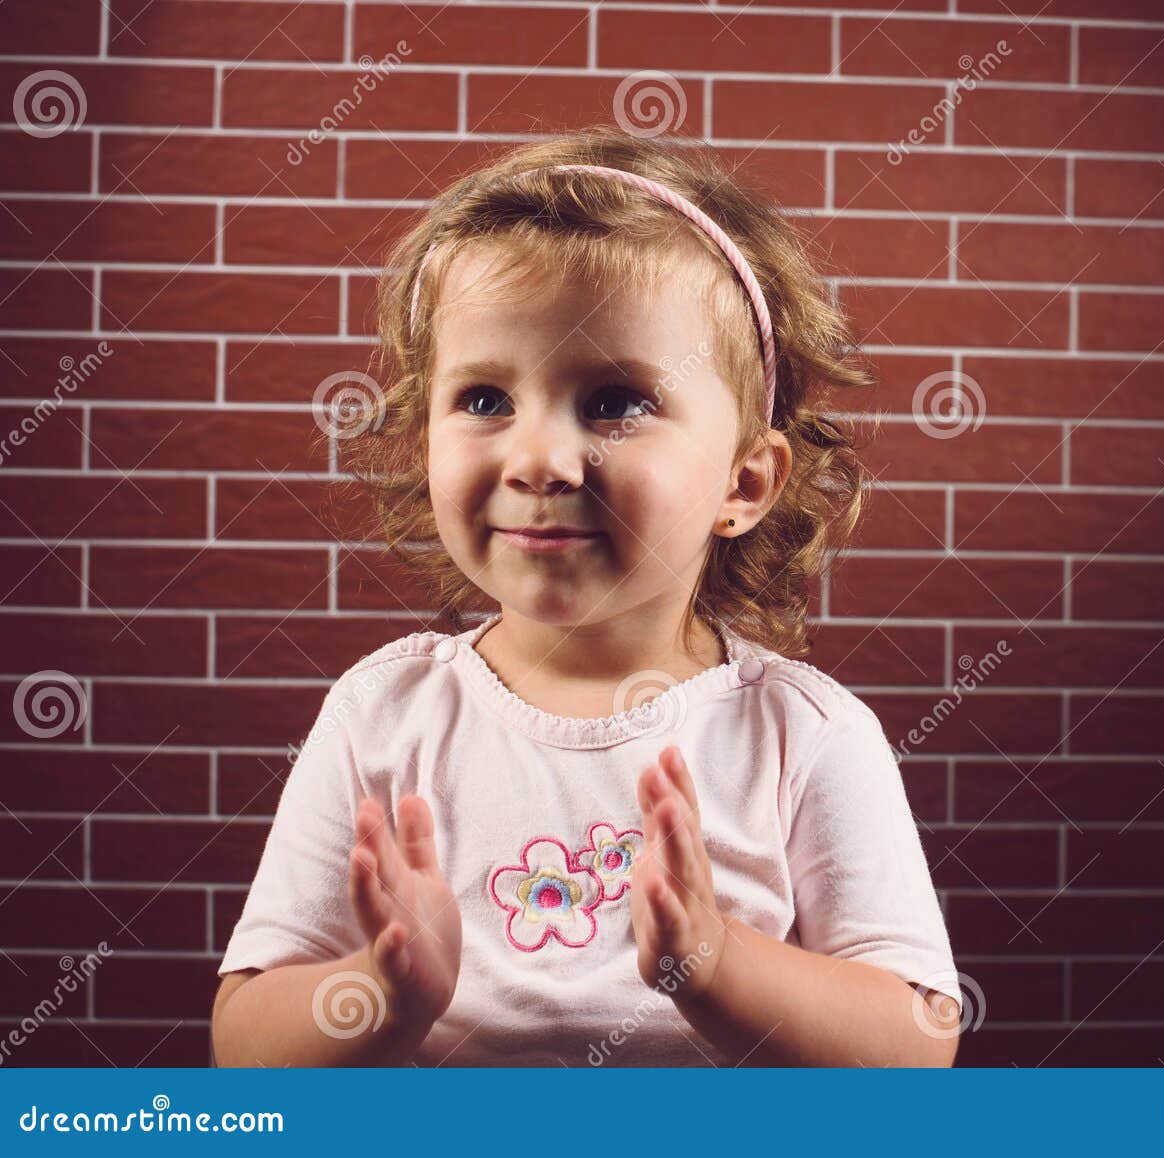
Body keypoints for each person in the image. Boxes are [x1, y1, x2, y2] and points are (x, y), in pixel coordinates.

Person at [210, 126, 962, 1067]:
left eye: (615, 401)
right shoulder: (381, 714)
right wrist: (382, 989)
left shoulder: (802, 735)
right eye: (485, 399)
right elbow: (242, 1046)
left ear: (745, 483)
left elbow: (916, 1047)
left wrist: (716, 962)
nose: (539, 460)